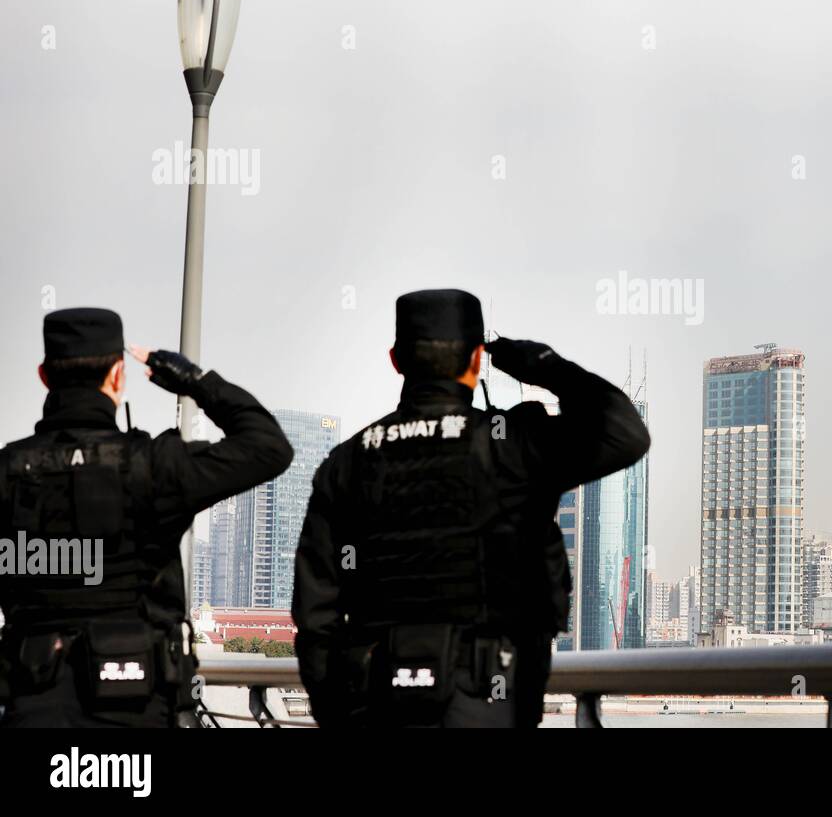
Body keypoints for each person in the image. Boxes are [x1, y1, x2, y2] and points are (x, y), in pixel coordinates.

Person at [292, 289, 651, 727]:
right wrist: (542, 364)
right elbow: (624, 433)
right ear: (478, 359)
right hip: (489, 699)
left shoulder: (346, 463)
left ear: (396, 360)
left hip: (375, 703)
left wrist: (338, 714)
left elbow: (315, 619)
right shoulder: (513, 444)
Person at [0, 308, 293, 727]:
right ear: (118, 376)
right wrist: (193, 380)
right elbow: (269, 448)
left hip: (32, 700)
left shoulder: (7, 471)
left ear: (45, 376)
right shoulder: (155, 467)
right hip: (138, 699)